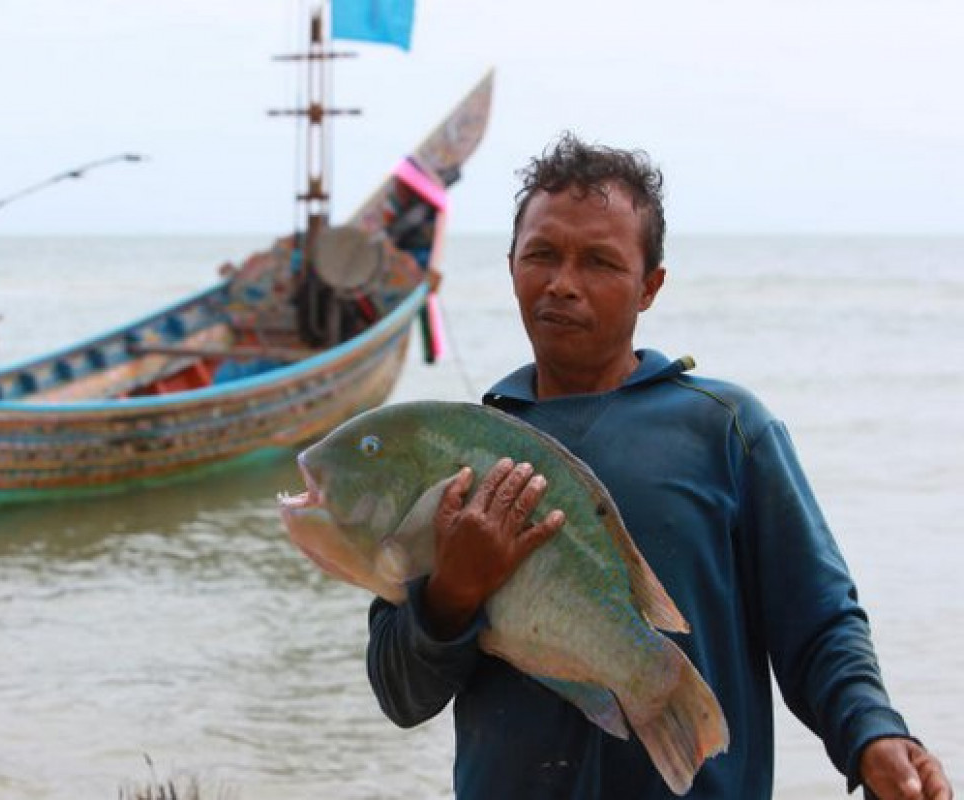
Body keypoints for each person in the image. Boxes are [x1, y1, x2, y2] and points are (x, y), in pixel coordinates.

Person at [365, 132, 953, 799]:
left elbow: (817, 623)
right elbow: (398, 694)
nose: (563, 284)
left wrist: (873, 733)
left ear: (650, 286)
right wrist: (451, 595)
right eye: (542, 255)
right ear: (511, 267)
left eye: (599, 262)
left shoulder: (725, 430)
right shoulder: (460, 455)